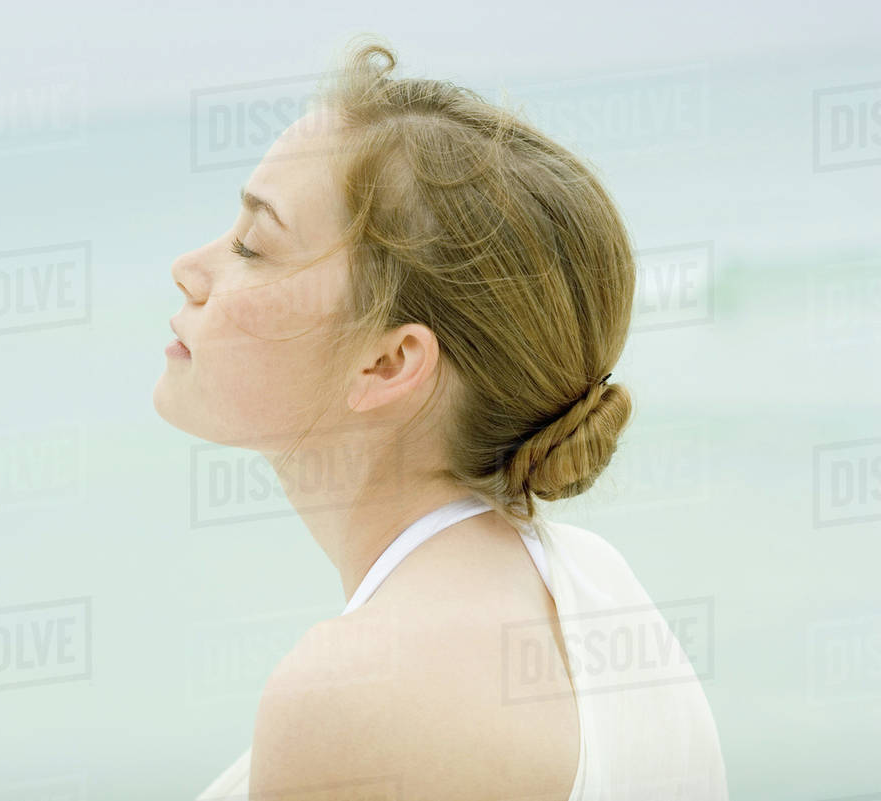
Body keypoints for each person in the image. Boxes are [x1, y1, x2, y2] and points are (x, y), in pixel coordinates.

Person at [155, 36, 729, 801]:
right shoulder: (589, 580)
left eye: (254, 246)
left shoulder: (354, 697)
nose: (190, 269)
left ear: (388, 363)